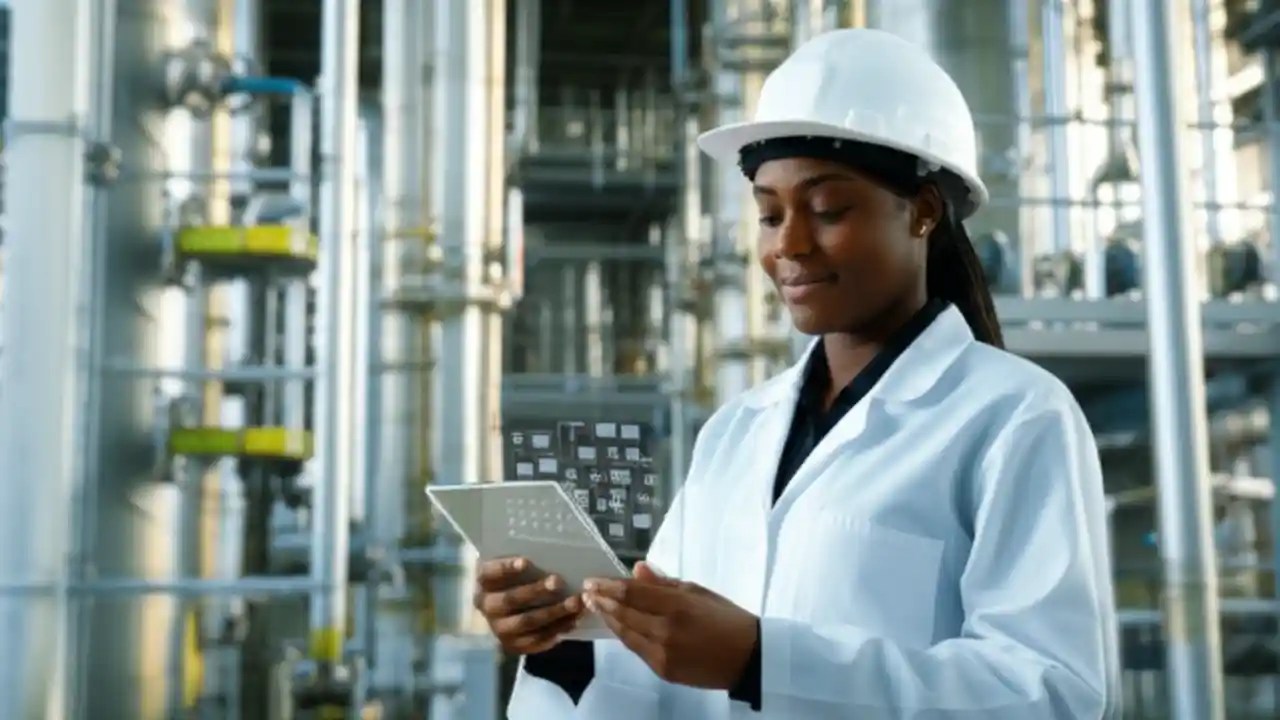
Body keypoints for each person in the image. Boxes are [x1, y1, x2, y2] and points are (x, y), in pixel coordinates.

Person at [476, 28, 1120, 719]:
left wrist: (760, 660)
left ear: (925, 211)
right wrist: (565, 642)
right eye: (769, 213)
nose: (789, 245)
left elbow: (1051, 694)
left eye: (828, 209)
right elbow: (656, 680)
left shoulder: (1013, 416)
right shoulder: (735, 433)